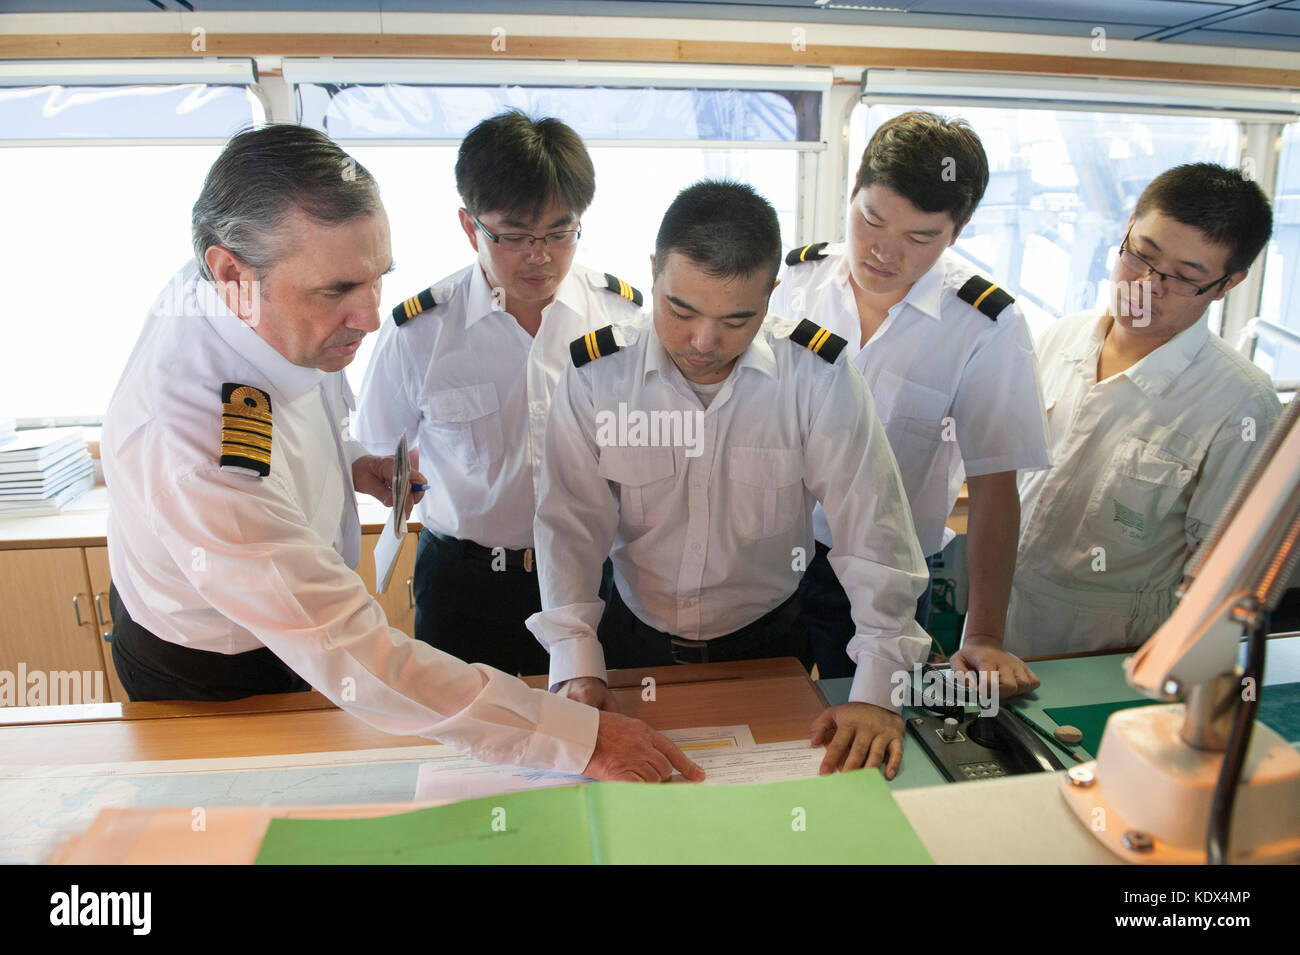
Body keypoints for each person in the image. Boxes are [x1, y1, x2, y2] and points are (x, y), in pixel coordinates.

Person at [101, 123, 701, 784]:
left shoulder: (255, 286)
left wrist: (353, 459)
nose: (368, 315)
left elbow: (305, 411)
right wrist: (579, 740)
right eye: (337, 291)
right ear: (230, 273)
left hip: (309, 610)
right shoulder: (195, 444)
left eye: (377, 279)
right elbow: (350, 648)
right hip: (215, 663)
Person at [528, 179, 932, 779]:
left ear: (771, 294)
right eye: (680, 309)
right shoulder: (597, 376)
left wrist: (876, 690)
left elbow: (876, 532)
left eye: (737, 319)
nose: (703, 342)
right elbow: (570, 528)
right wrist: (578, 662)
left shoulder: (816, 377)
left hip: (768, 647)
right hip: (634, 644)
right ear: (654, 272)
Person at [354, 111, 641, 677]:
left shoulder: (623, 319)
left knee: (598, 735)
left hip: (592, 579)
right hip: (465, 587)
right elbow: (378, 449)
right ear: (469, 226)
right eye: (513, 236)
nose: (539, 255)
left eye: (560, 233)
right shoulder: (421, 333)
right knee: (465, 748)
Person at [772, 110, 1048, 697]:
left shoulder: (985, 326)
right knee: (762, 719)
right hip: (771, 554)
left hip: (889, 572)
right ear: (852, 190)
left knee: (873, 730)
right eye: (871, 219)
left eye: (920, 238)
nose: (883, 253)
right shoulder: (794, 281)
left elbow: (996, 488)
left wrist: (985, 637)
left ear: (959, 229)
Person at [1006, 162, 1280, 656]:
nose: (1147, 286)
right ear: (1129, 226)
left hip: (1113, 650)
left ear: (1227, 285)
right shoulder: (1059, 337)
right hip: (997, 621)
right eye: (1141, 256)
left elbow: (1224, 584)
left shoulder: (1241, 406)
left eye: (1183, 278)